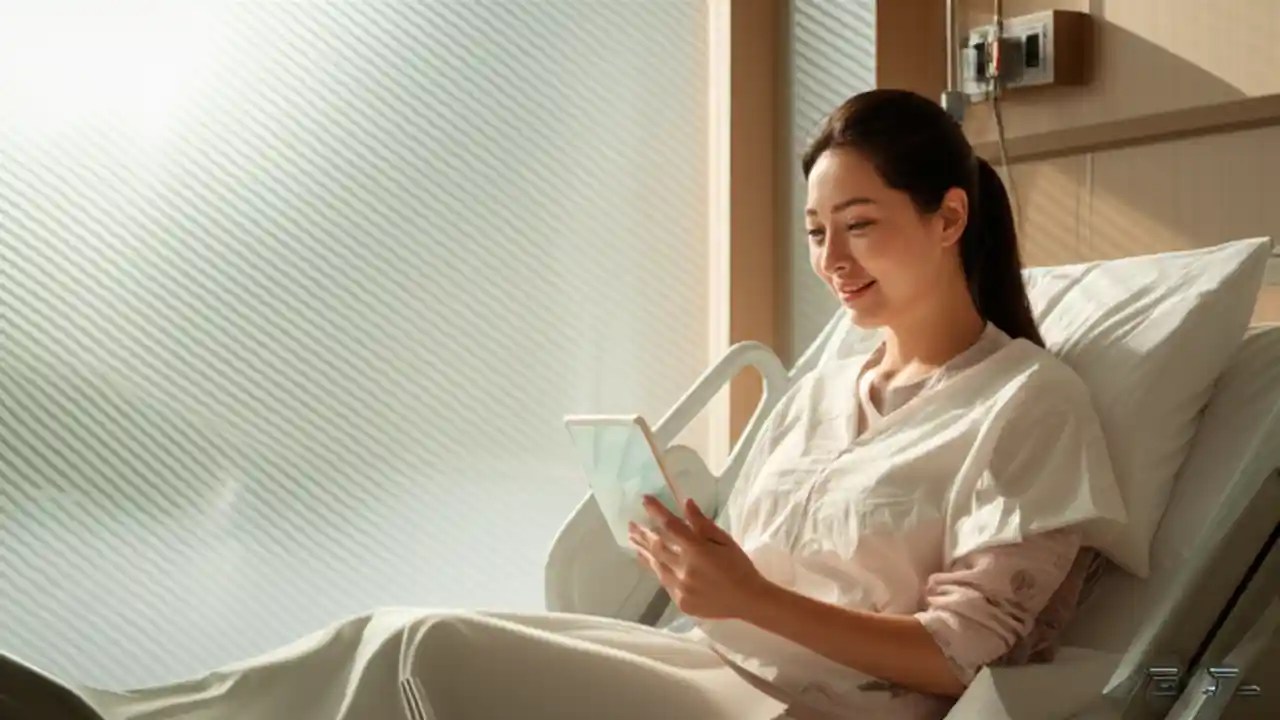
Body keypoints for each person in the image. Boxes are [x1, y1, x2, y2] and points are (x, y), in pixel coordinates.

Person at [70, 89, 1127, 720]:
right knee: (383, 629)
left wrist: (749, 597)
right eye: (813, 233)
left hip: (809, 709)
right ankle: (112, 712)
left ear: (948, 219)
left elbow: (960, 653)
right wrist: (691, 555)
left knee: (421, 658)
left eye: (856, 224)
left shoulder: (1025, 403)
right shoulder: (827, 381)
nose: (829, 261)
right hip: (713, 660)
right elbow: (754, 570)